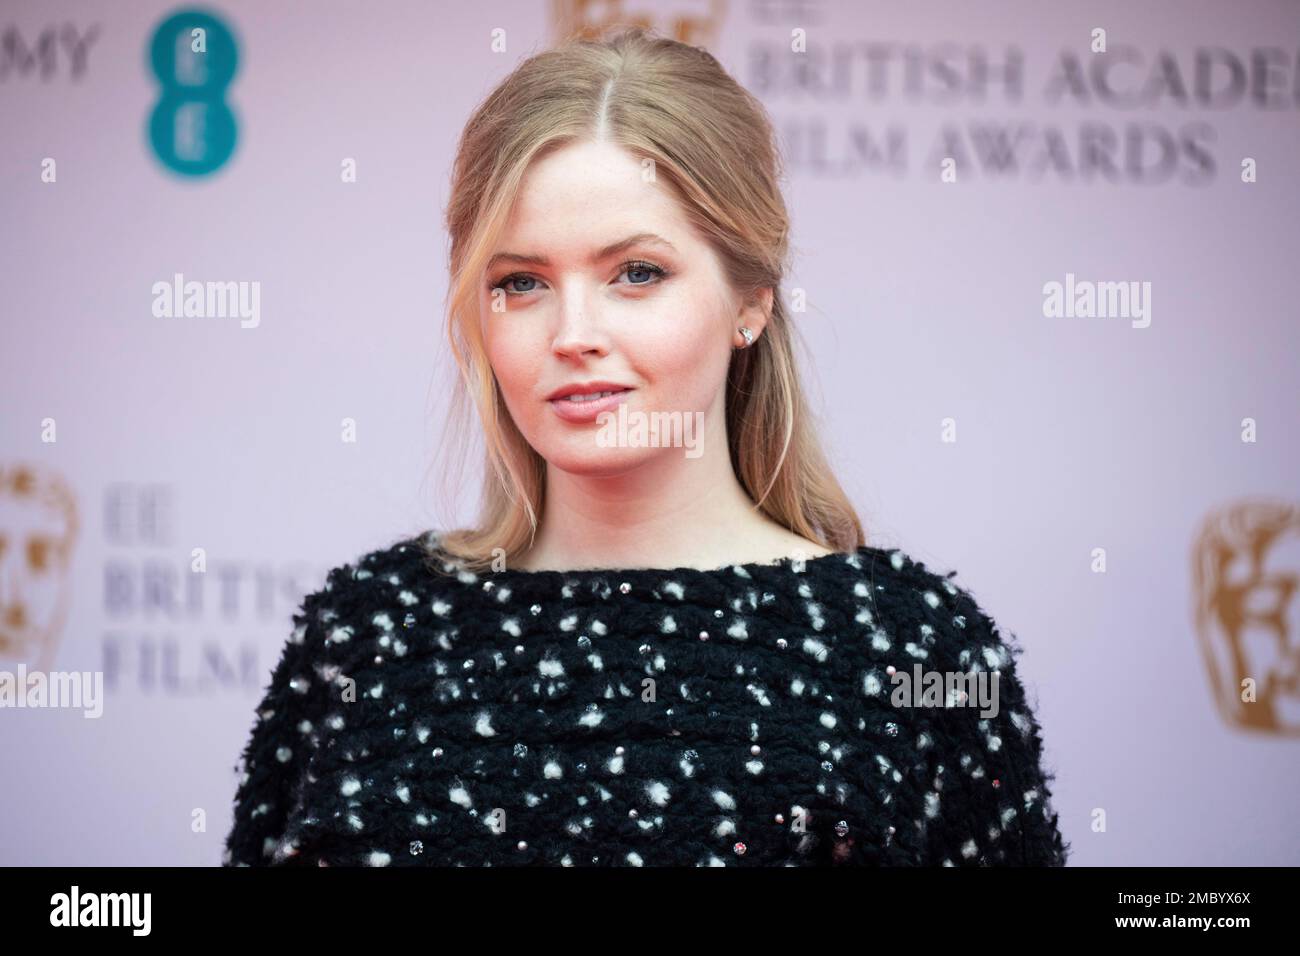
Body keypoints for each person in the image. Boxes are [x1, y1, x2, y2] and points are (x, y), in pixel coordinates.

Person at [224, 27, 1068, 867]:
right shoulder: (370, 629)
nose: (574, 333)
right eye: (522, 283)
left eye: (636, 273)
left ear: (750, 302)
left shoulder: (909, 646)